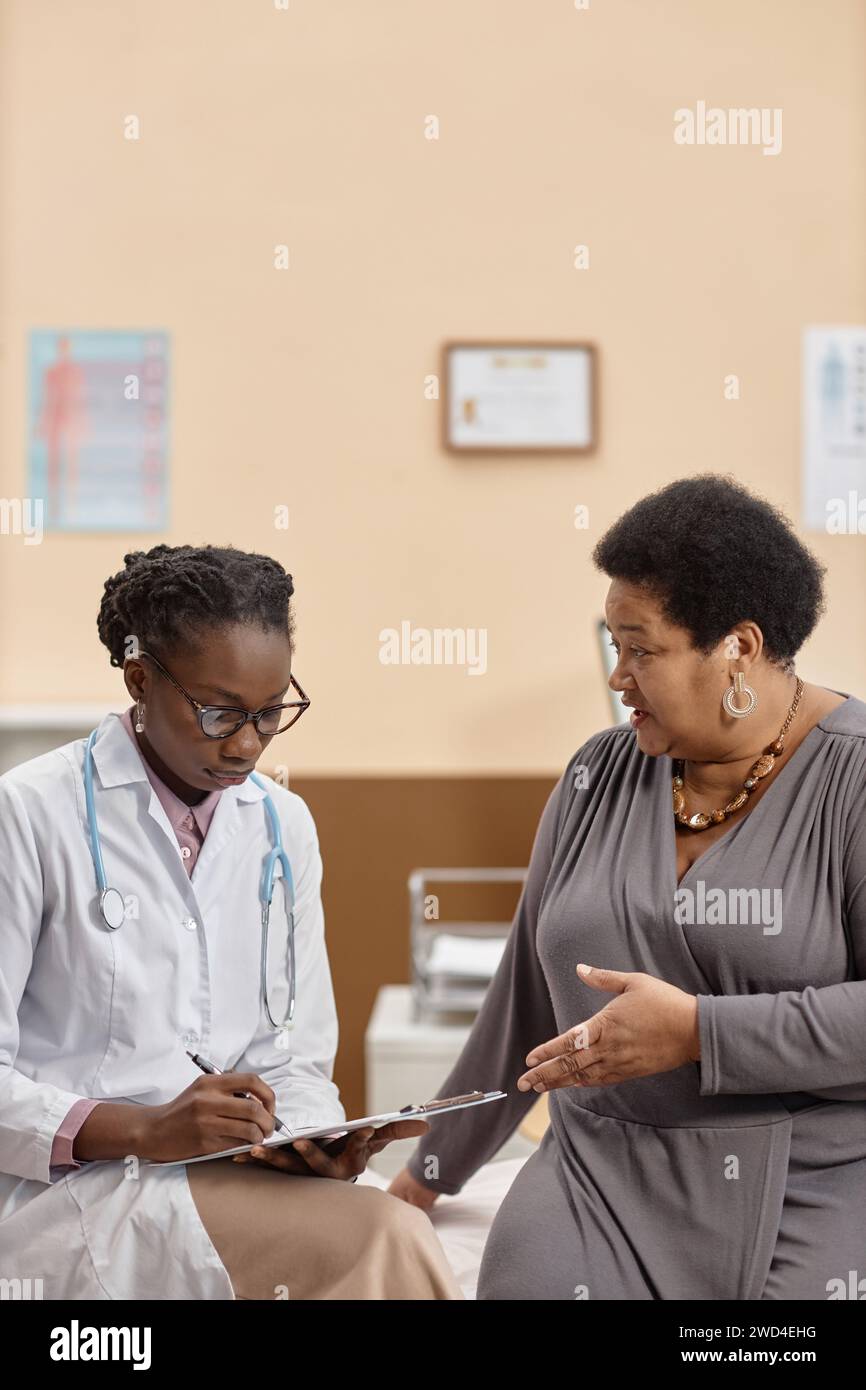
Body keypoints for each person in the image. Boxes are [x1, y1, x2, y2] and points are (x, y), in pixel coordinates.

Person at [390, 473, 866, 1301]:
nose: (619, 677)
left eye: (642, 649)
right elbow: (525, 1008)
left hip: (805, 1177)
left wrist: (701, 1033)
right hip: (598, 1171)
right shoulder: (595, 776)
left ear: (738, 649)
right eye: (615, 646)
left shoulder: (851, 782)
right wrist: (422, 1170)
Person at [0, 543, 462, 1300]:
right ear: (140, 679)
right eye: (219, 712)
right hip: (75, 1192)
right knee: (388, 1236)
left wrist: (311, 1144)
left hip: (225, 1179)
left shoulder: (283, 827)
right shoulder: (27, 814)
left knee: (374, 1222)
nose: (247, 745)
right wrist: (144, 1130)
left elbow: (296, 1059)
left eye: (271, 712)